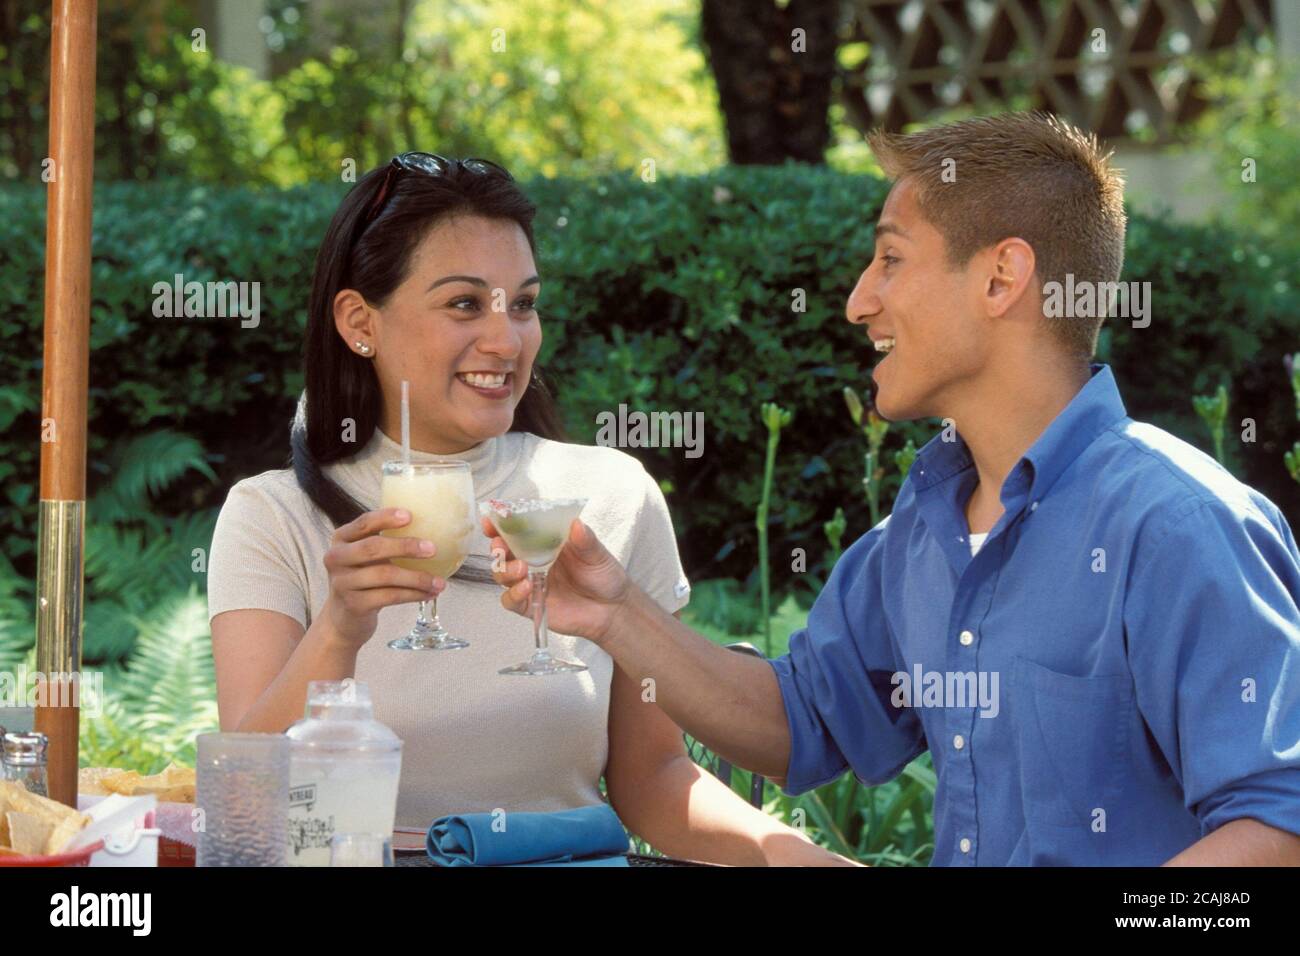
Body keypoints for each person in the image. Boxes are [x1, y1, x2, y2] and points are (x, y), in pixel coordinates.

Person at [483, 113, 1300, 866]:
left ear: (1000, 278)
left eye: (891, 258)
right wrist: (616, 612)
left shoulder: (1181, 524)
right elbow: (799, 719)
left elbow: (1279, 830)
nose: (857, 301)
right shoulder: (925, 527)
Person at [207, 153, 848, 866]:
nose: (506, 340)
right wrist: (338, 631)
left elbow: (655, 779)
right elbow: (241, 803)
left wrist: (804, 857)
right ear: (361, 321)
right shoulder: (273, 516)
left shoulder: (605, 494)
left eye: (523, 303)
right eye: (464, 304)